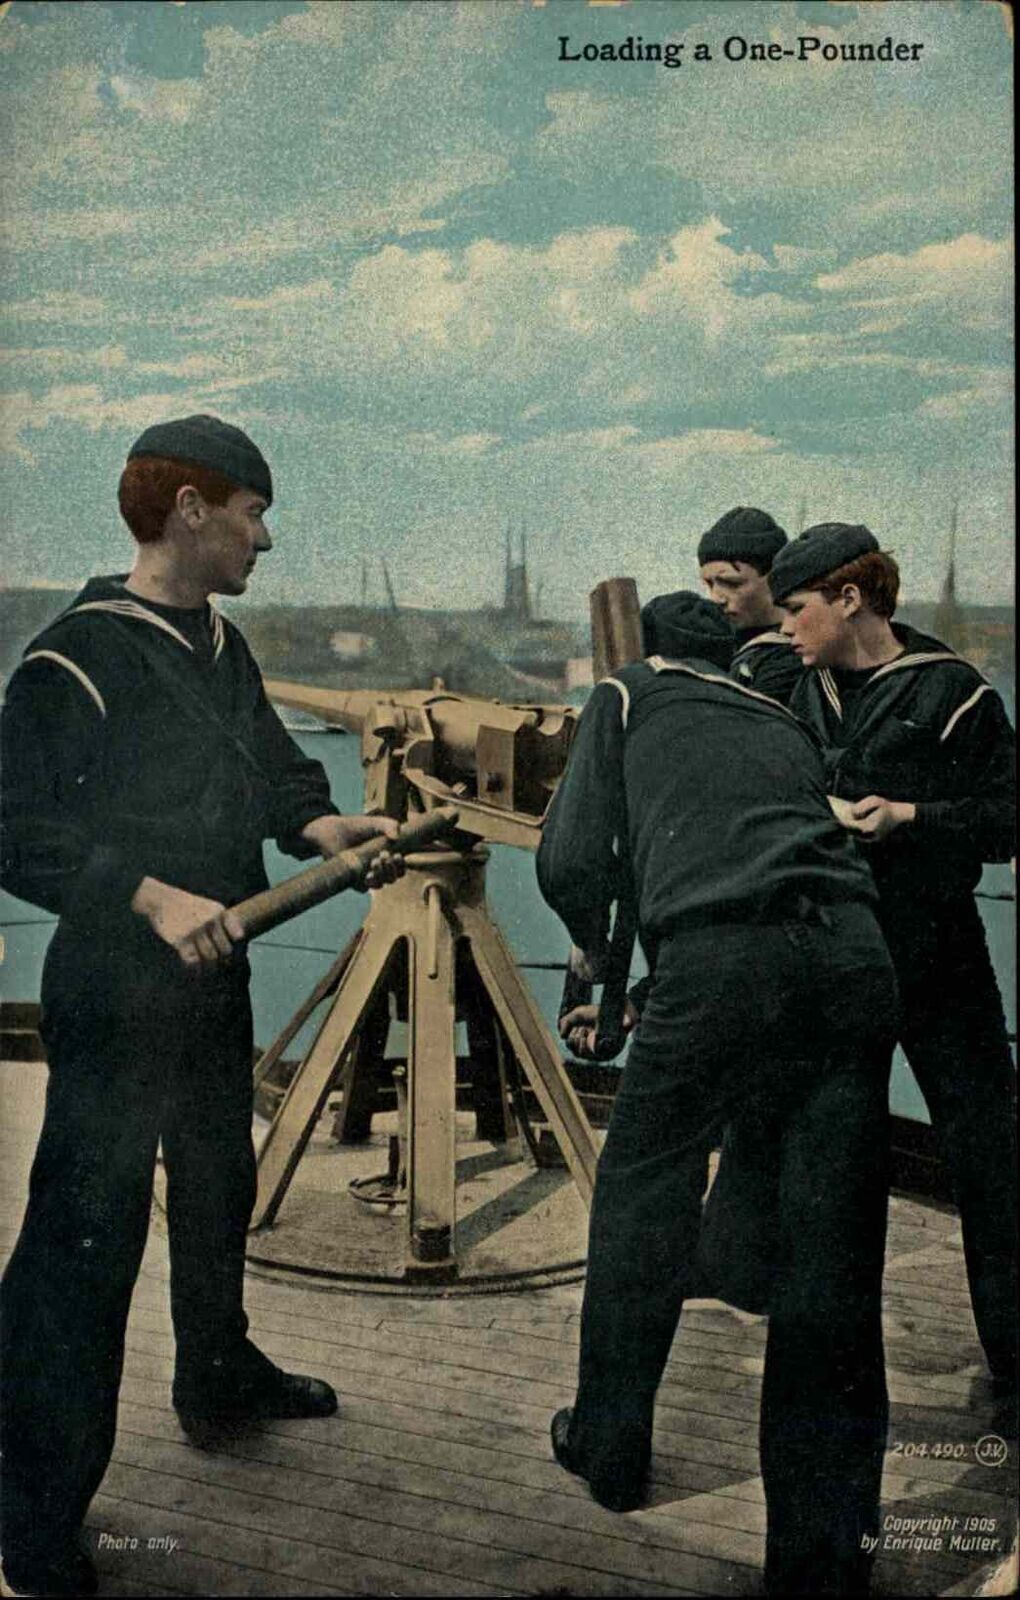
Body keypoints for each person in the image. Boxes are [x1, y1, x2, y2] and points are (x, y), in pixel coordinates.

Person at [0, 415, 402, 1598]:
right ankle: (30, 1518)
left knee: (219, 1185)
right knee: (85, 1242)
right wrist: (148, 893)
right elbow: (14, 828)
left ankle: (215, 1375)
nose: (265, 538)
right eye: (253, 513)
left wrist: (321, 822)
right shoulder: (74, 657)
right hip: (118, 987)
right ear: (188, 508)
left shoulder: (216, 642)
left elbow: (270, 765)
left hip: (211, 977)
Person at [536, 617, 900, 1595]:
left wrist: (596, 965)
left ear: (655, 646)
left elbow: (572, 862)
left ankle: (609, 1448)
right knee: (832, 1256)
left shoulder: (628, 688)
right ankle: (825, 1558)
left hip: (723, 957)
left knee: (644, 1184)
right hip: (856, 958)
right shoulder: (779, 719)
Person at [770, 522, 1018, 1404]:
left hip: (938, 959)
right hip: (838, 962)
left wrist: (910, 817)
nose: (785, 629)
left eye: (797, 610)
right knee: (838, 1166)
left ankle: (1015, 1362)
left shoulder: (955, 694)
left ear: (849, 597)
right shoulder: (799, 691)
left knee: (991, 1159)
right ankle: (837, 1379)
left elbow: (1009, 819)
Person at [697, 506, 801, 703]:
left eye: (732, 583)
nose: (716, 598)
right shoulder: (720, 644)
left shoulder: (796, 652)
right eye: (709, 584)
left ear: (774, 578)